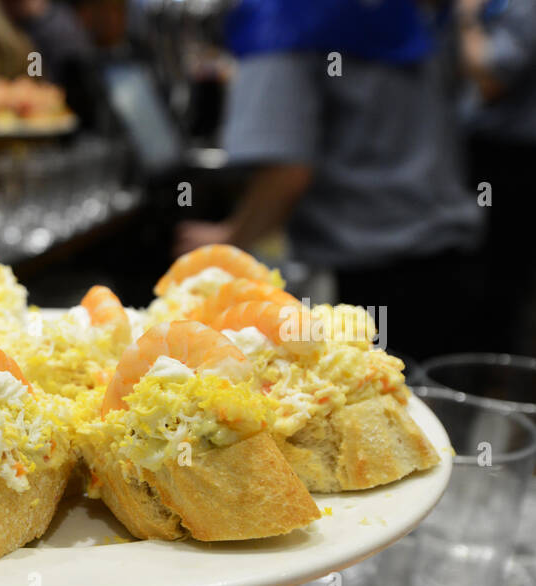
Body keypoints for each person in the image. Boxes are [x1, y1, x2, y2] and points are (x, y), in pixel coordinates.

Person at [176, 0, 485, 361]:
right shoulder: (403, 10)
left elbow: (286, 173)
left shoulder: (281, 17)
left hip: (372, 284)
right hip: (452, 258)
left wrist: (230, 239)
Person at [456, 0, 536, 354]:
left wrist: (465, 17)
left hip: (511, 158)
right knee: (484, 269)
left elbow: (491, 78)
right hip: (486, 151)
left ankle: (491, 376)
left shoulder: (522, 6)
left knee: (500, 272)